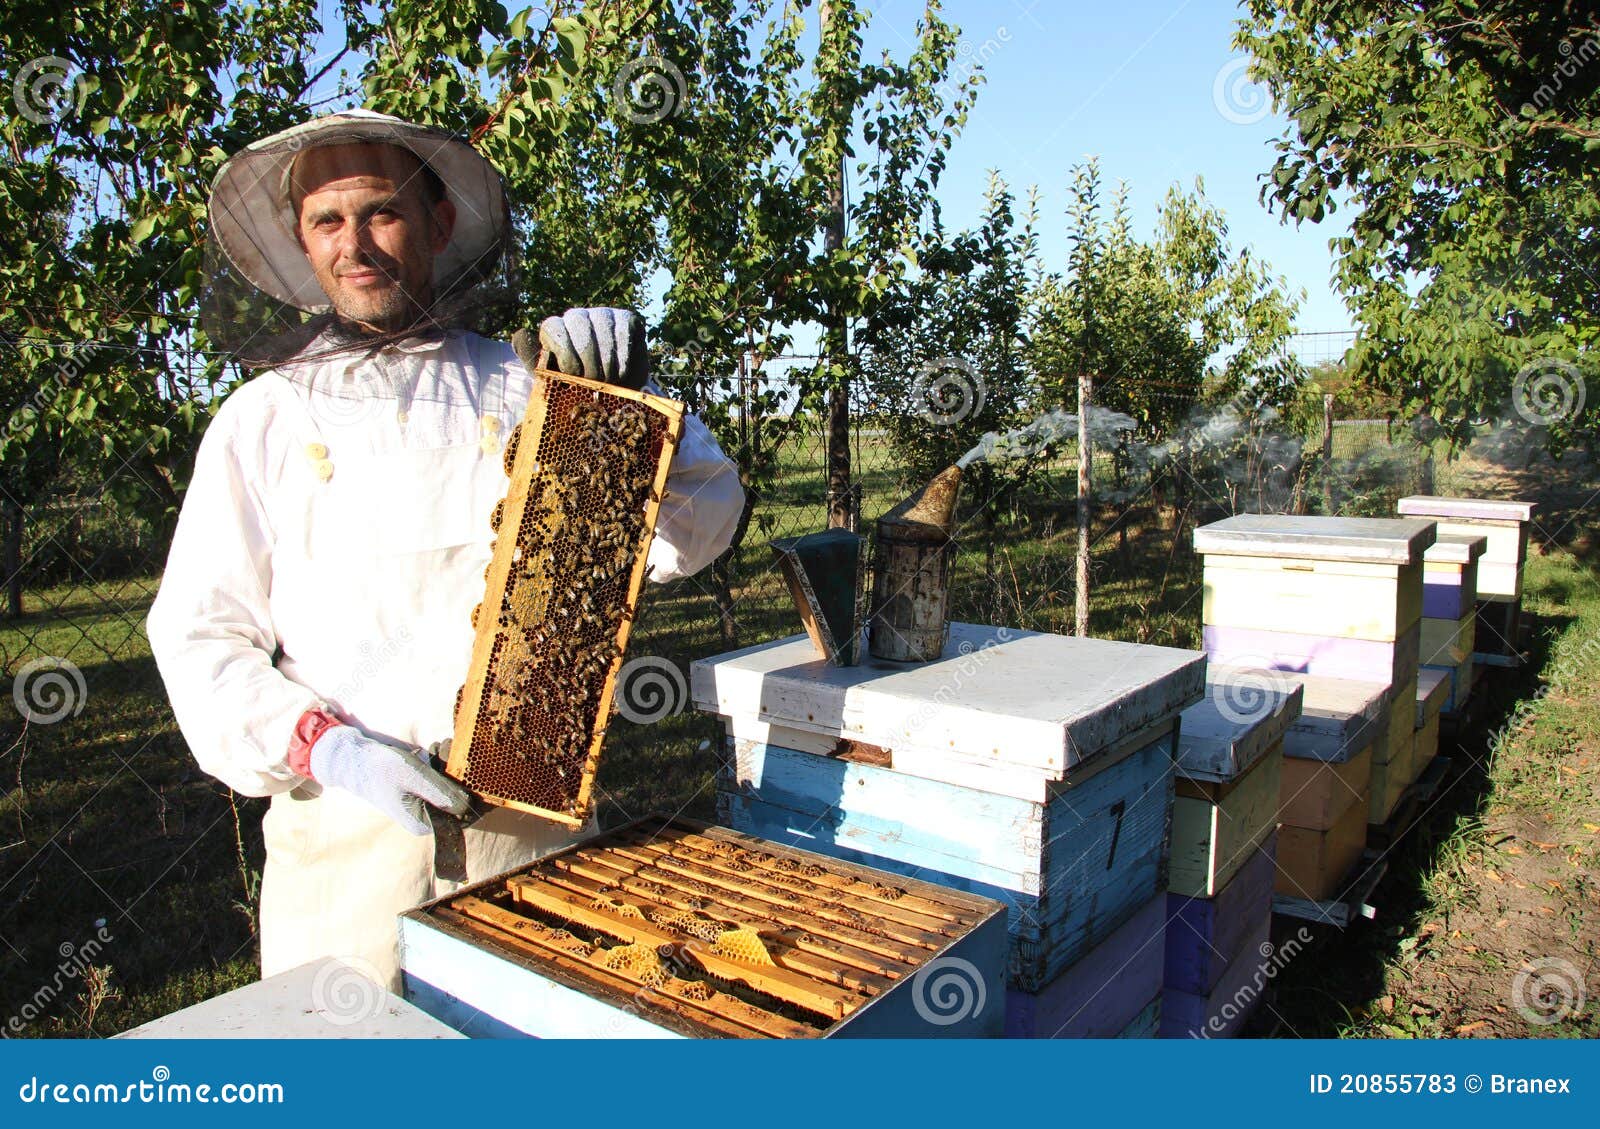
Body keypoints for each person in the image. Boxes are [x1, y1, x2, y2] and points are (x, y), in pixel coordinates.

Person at [146, 110, 744, 988]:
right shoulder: (262, 419)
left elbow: (702, 524)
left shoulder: (527, 381)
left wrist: (633, 404)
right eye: (328, 220)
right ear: (303, 246)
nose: (356, 244)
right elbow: (197, 636)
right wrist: (323, 746)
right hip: (344, 848)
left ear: (439, 222)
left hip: (529, 833)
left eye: (382, 212)